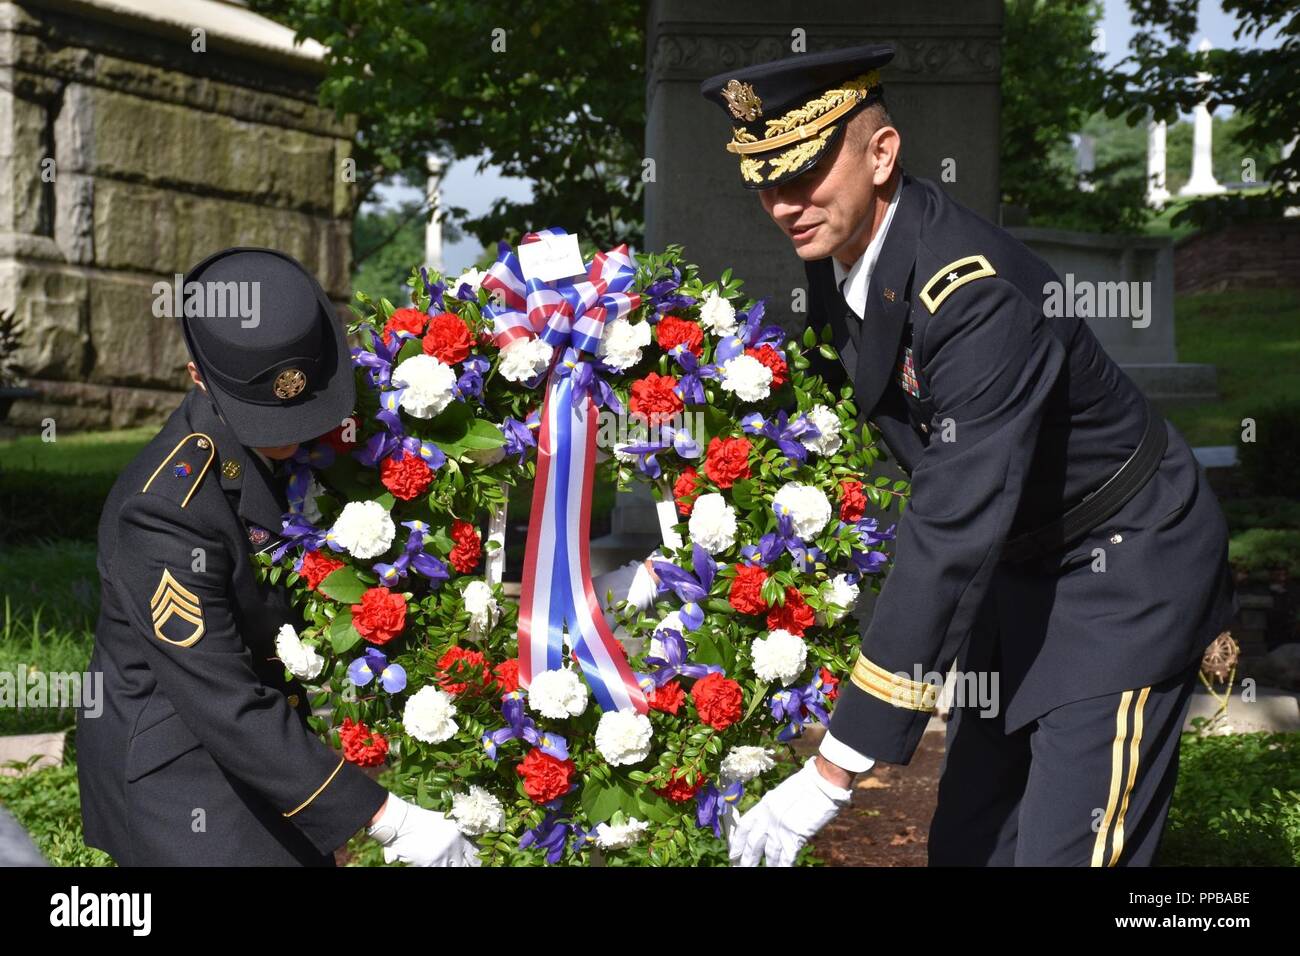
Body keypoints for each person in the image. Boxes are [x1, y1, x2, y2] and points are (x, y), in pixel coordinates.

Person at [690, 44, 1235, 866]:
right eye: (765, 182)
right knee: (972, 845)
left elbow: (952, 520)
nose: (782, 204)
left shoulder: (974, 297)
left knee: (1068, 852)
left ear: (882, 153)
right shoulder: (846, 255)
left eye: (803, 174)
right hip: (1022, 567)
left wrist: (832, 772)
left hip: (1122, 568)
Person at [76, 247, 477, 866]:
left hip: (269, 739)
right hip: (183, 766)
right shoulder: (164, 511)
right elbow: (221, 697)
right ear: (196, 378)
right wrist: (384, 818)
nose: (294, 430)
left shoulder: (316, 450)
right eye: (266, 416)